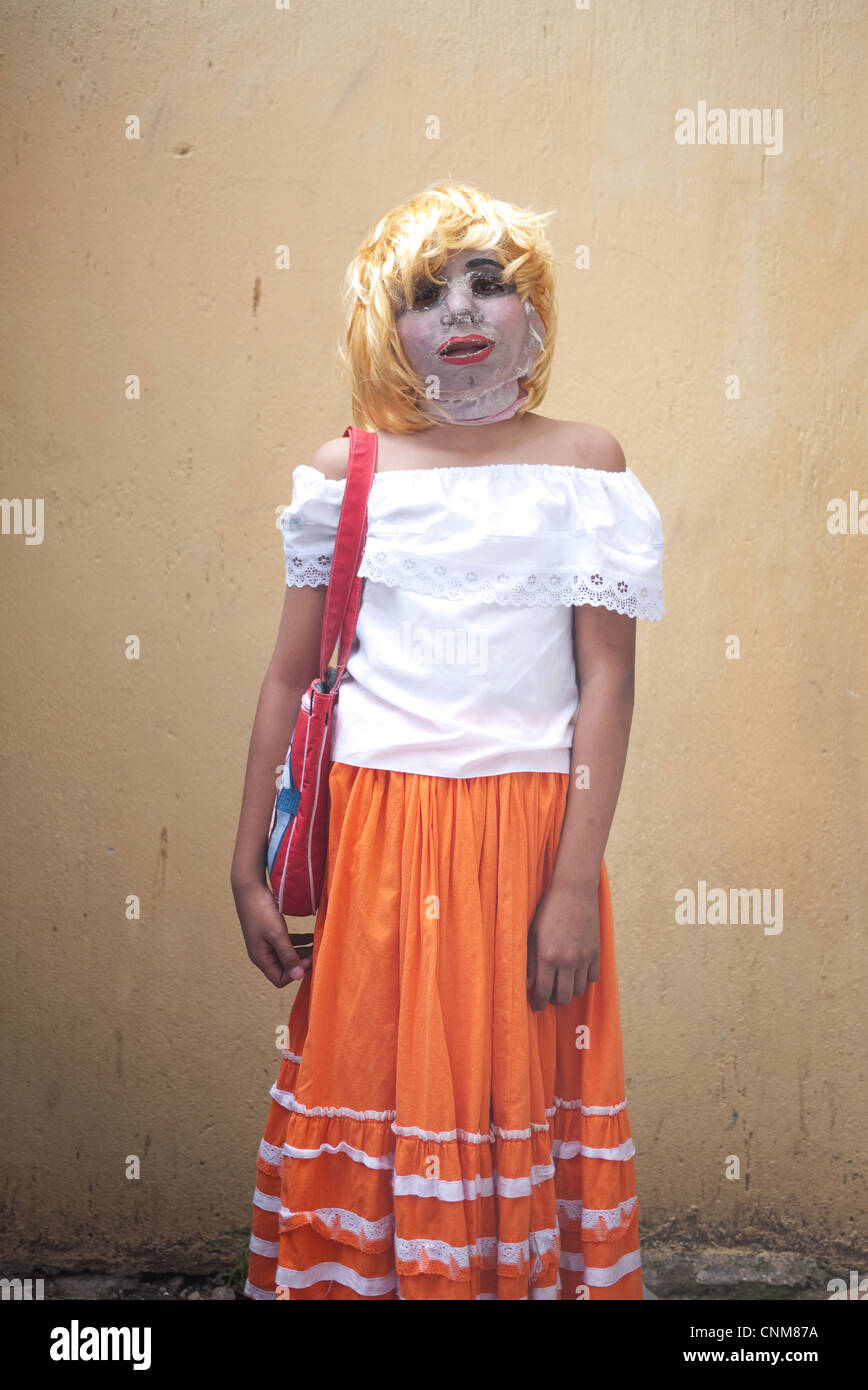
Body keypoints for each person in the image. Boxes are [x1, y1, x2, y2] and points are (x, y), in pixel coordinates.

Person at [231, 182, 665, 1301]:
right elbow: (290, 677)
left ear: (533, 312)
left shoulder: (586, 463)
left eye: (490, 281)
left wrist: (573, 886)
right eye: (426, 293)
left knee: (511, 1092)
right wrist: (249, 863)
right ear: (390, 326)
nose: (462, 308)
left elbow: (604, 684)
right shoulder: (348, 476)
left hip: (528, 840)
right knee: (382, 1083)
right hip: (378, 834)